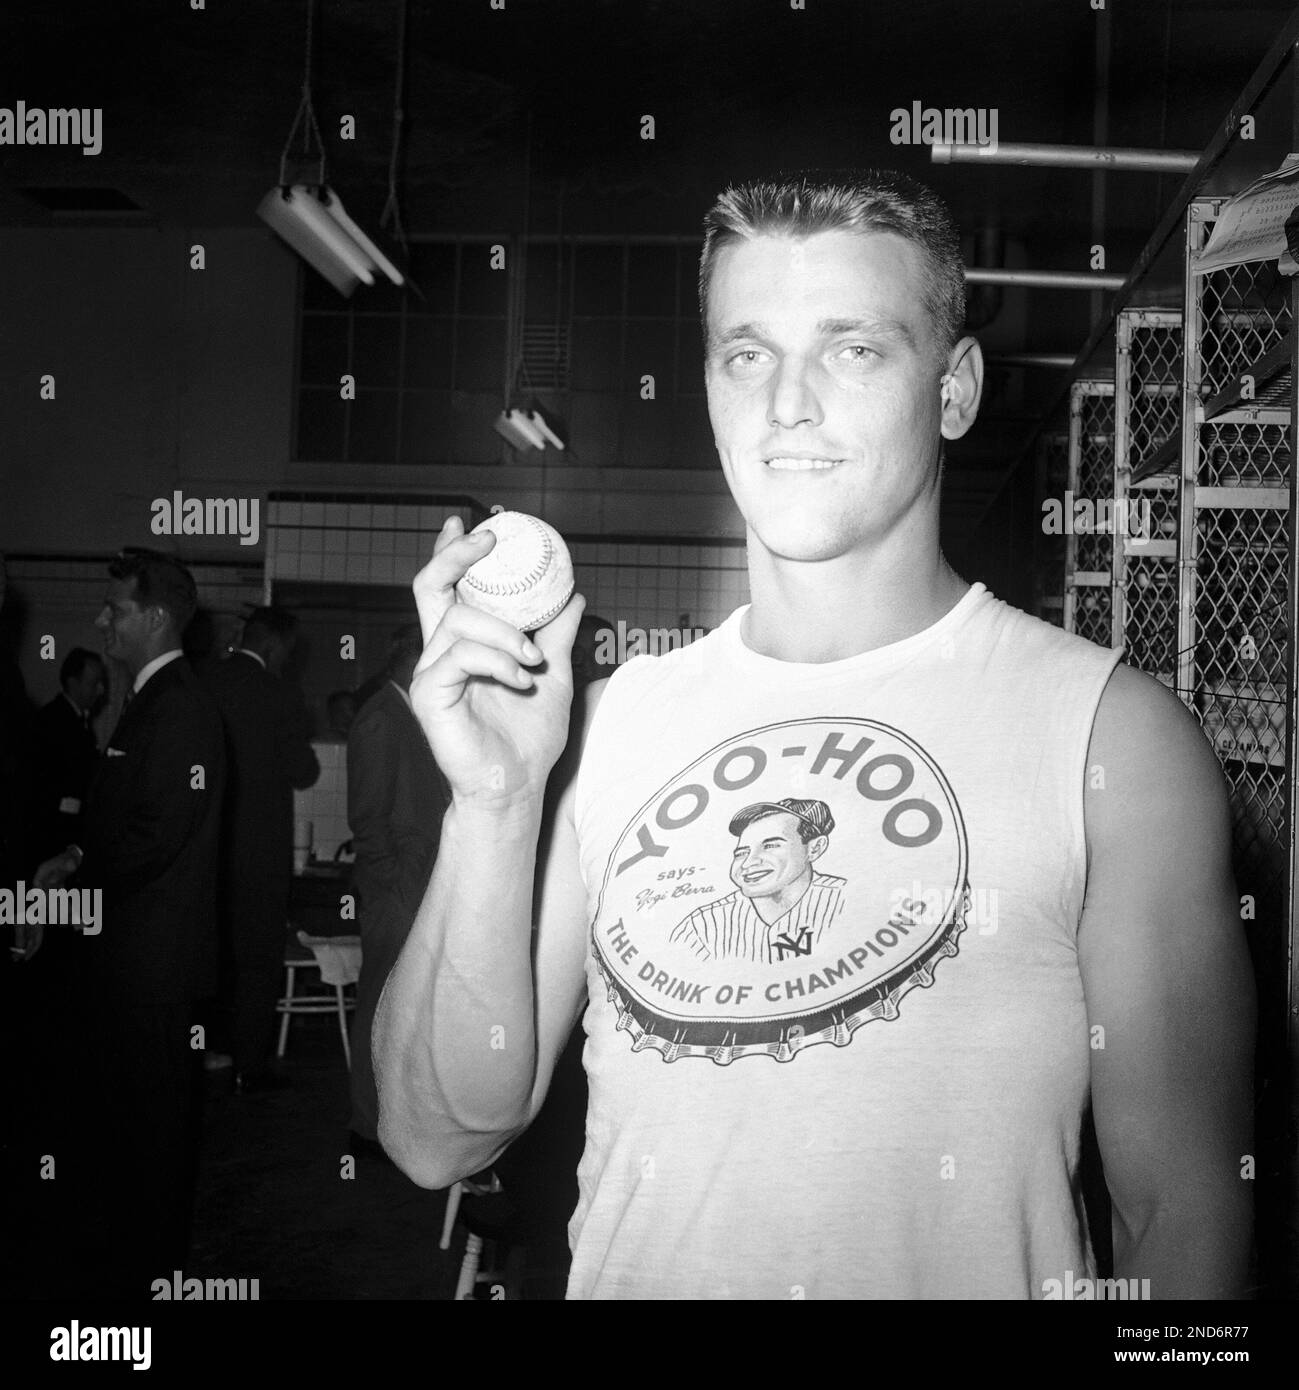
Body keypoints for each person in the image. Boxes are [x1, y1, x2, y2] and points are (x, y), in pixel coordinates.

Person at [374, 171, 1255, 1300]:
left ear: (954, 388)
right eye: (748, 353)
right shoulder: (605, 729)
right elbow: (436, 1136)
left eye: (853, 350)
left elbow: (1184, 1218)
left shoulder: (1110, 738)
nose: (787, 402)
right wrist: (493, 805)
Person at [34, 547, 226, 1294]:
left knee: (153, 1138)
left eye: (114, 609)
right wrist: (77, 852)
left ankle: (150, 1283)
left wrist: (83, 877)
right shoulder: (149, 699)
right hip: (131, 961)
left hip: (154, 968)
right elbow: (127, 819)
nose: (100, 620)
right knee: (129, 1128)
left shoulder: (179, 705)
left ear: (153, 618)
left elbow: (157, 833)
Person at [205, 607, 319, 1092]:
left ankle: (208, 1052)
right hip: (260, 853)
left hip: (206, 851)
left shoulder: (204, 681)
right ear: (274, 648)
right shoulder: (278, 694)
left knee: (211, 954)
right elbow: (304, 772)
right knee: (257, 959)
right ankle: (248, 1065)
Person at [346, 622, 449, 1147]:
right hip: (396, 896)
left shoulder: (405, 715)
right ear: (416, 661)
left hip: (413, 890)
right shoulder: (383, 720)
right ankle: (366, 1128)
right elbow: (366, 821)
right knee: (378, 1010)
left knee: (401, 1011)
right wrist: (396, 886)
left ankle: (394, 1123)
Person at [668, 798, 844, 964]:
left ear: (815, 848)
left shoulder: (848, 899)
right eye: (741, 853)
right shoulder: (702, 927)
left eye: (771, 846)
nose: (748, 862)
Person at [31, 647, 106, 862]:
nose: (101, 690)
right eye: (94, 683)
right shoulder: (52, 721)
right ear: (73, 683)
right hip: (52, 836)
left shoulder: (79, 722)